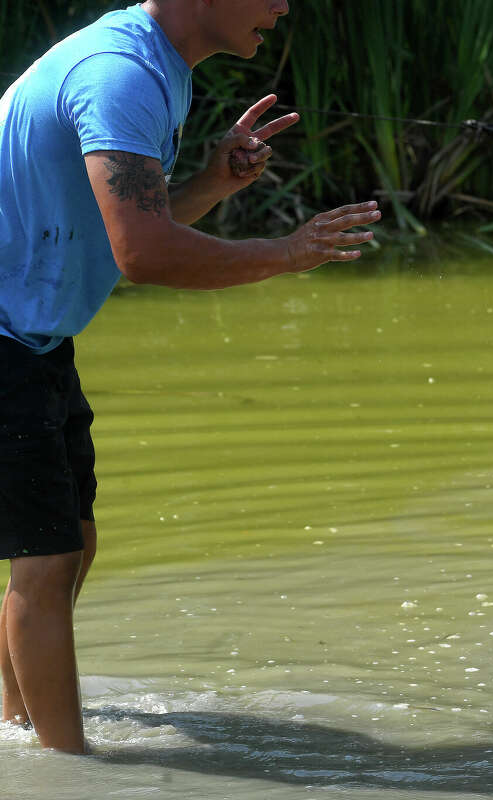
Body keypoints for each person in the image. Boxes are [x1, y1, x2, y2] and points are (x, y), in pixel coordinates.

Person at [0, 0, 380, 753]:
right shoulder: (121, 74)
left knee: (70, 541)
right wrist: (287, 253)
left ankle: (15, 722)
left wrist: (210, 182)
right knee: (45, 563)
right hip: (5, 338)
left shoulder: (159, 70)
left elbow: (126, 232)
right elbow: (145, 256)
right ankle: (70, 770)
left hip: (34, 338)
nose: (283, 6)